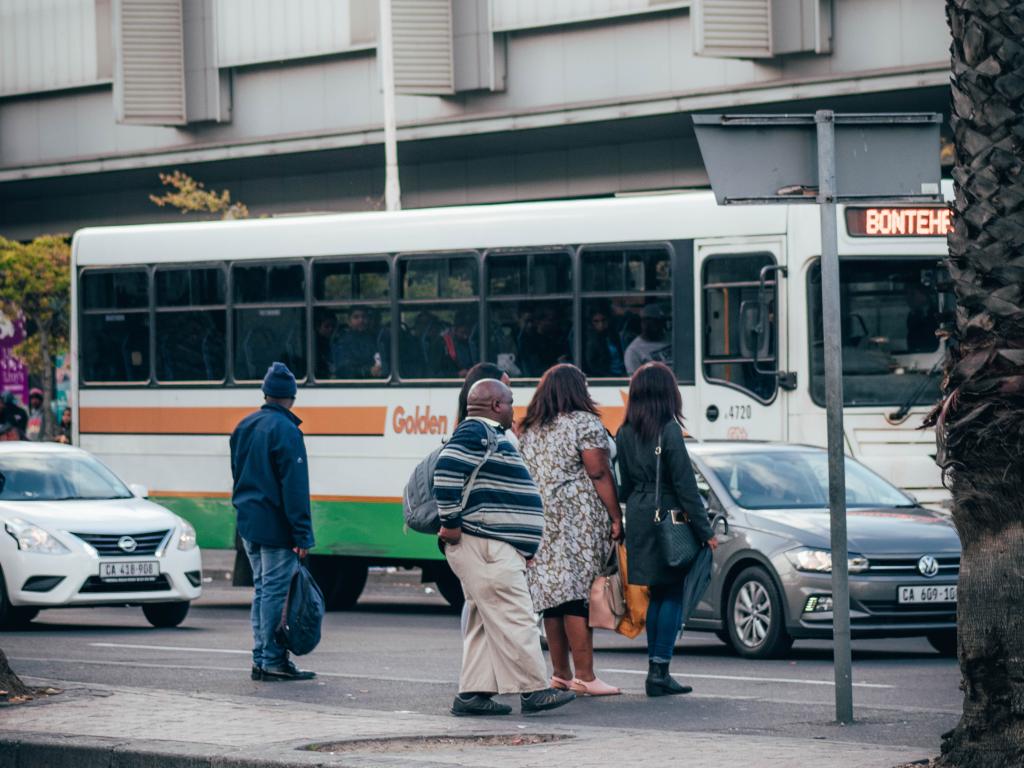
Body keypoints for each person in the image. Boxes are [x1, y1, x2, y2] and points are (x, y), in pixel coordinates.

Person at [435, 379, 575, 717]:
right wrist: (450, 523)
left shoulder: (485, 434)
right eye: (510, 402)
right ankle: (533, 689)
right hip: (484, 544)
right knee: (517, 615)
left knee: (484, 621)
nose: (515, 409)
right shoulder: (476, 432)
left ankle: (472, 694)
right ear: (496, 405)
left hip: (490, 544)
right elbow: (446, 470)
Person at [517, 364, 623, 696]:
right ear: (578, 390)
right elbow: (598, 472)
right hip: (576, 521)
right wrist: (616, 516)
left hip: (540, 518)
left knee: (553, 598)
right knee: (577, 597)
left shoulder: (530, 428)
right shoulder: (584, 423)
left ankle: (560, 673)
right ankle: (586, 677)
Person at [615, 362, 717, 696]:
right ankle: (660, 670)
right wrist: (705, 532)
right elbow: (686, 486)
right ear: (667, 392)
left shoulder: (625, 430)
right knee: (671, 590)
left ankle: (655, 670)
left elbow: (624, 484)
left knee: (656, 592)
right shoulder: (669, 429)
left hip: (641, 516)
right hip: (669, 515)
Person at [229, 362, 316, 682]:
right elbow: (294, 488)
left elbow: (238, 475)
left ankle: (261, 657)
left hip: (249, 524)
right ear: (291, 397)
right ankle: (271, 660)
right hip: (277, 528)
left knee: (263, 591)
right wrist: (302, 535)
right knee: (276, 595)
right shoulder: (287, 431)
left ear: (266, 393)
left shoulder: (243, 427)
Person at [332, 307, 383, 378]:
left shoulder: (375, 338)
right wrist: (368, 371)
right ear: (349, 321)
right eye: (356, 317)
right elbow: (343, 370)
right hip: (353, 386)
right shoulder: (342, 342)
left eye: (364, 317)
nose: (361, 320)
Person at [624, 304, 671, 374]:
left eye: (661, 323)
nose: (659, 327)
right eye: (655, 323)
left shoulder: (671, 337)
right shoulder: (633, 351)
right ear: (644, 323)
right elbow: (636, 381)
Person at [583, 306, 626, 377]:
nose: (601, 324)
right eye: (596, 321)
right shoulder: (591, 342)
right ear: (592, 323)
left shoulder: (615, 336)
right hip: (608, 378)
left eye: (603, 320)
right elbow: (593, 367)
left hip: (622, 374)